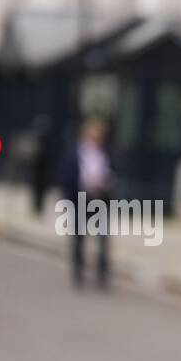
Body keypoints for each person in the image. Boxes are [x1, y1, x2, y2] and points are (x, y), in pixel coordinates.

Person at [59, 118, 114, 290]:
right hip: (80, 200)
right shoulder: (74, 154)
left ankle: (102, 274)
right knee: (79, 240)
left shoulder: (104, 155)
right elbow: (67, 178)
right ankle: (78, 272)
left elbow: (110, 176)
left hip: (99, 201)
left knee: (103, 240)